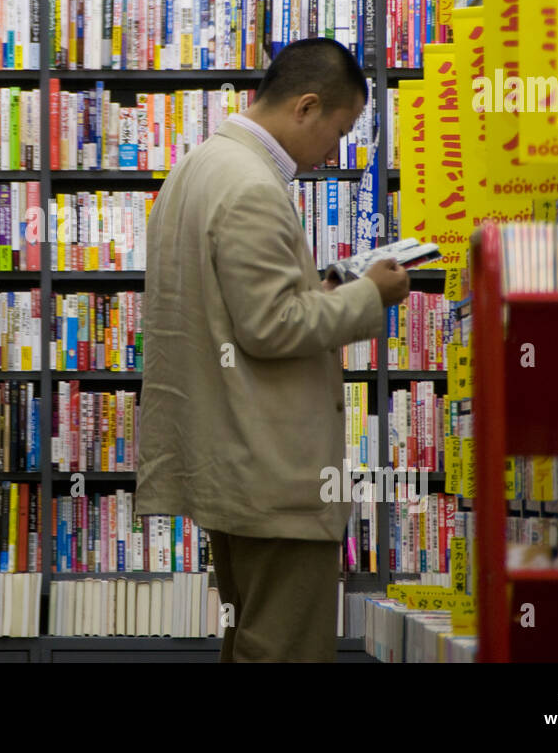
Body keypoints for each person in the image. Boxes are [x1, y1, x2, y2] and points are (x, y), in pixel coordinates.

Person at [135, 37, 410, 662]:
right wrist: (372, 295)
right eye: (338, 131)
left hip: (230, 458)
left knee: (253, 637)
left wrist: (327, 289)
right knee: (287, 648)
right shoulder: (253, 186)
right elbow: (272, 325)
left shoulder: (199, 166)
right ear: (306, 108)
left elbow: (238, 310)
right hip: (272, 470)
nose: (332, 152)